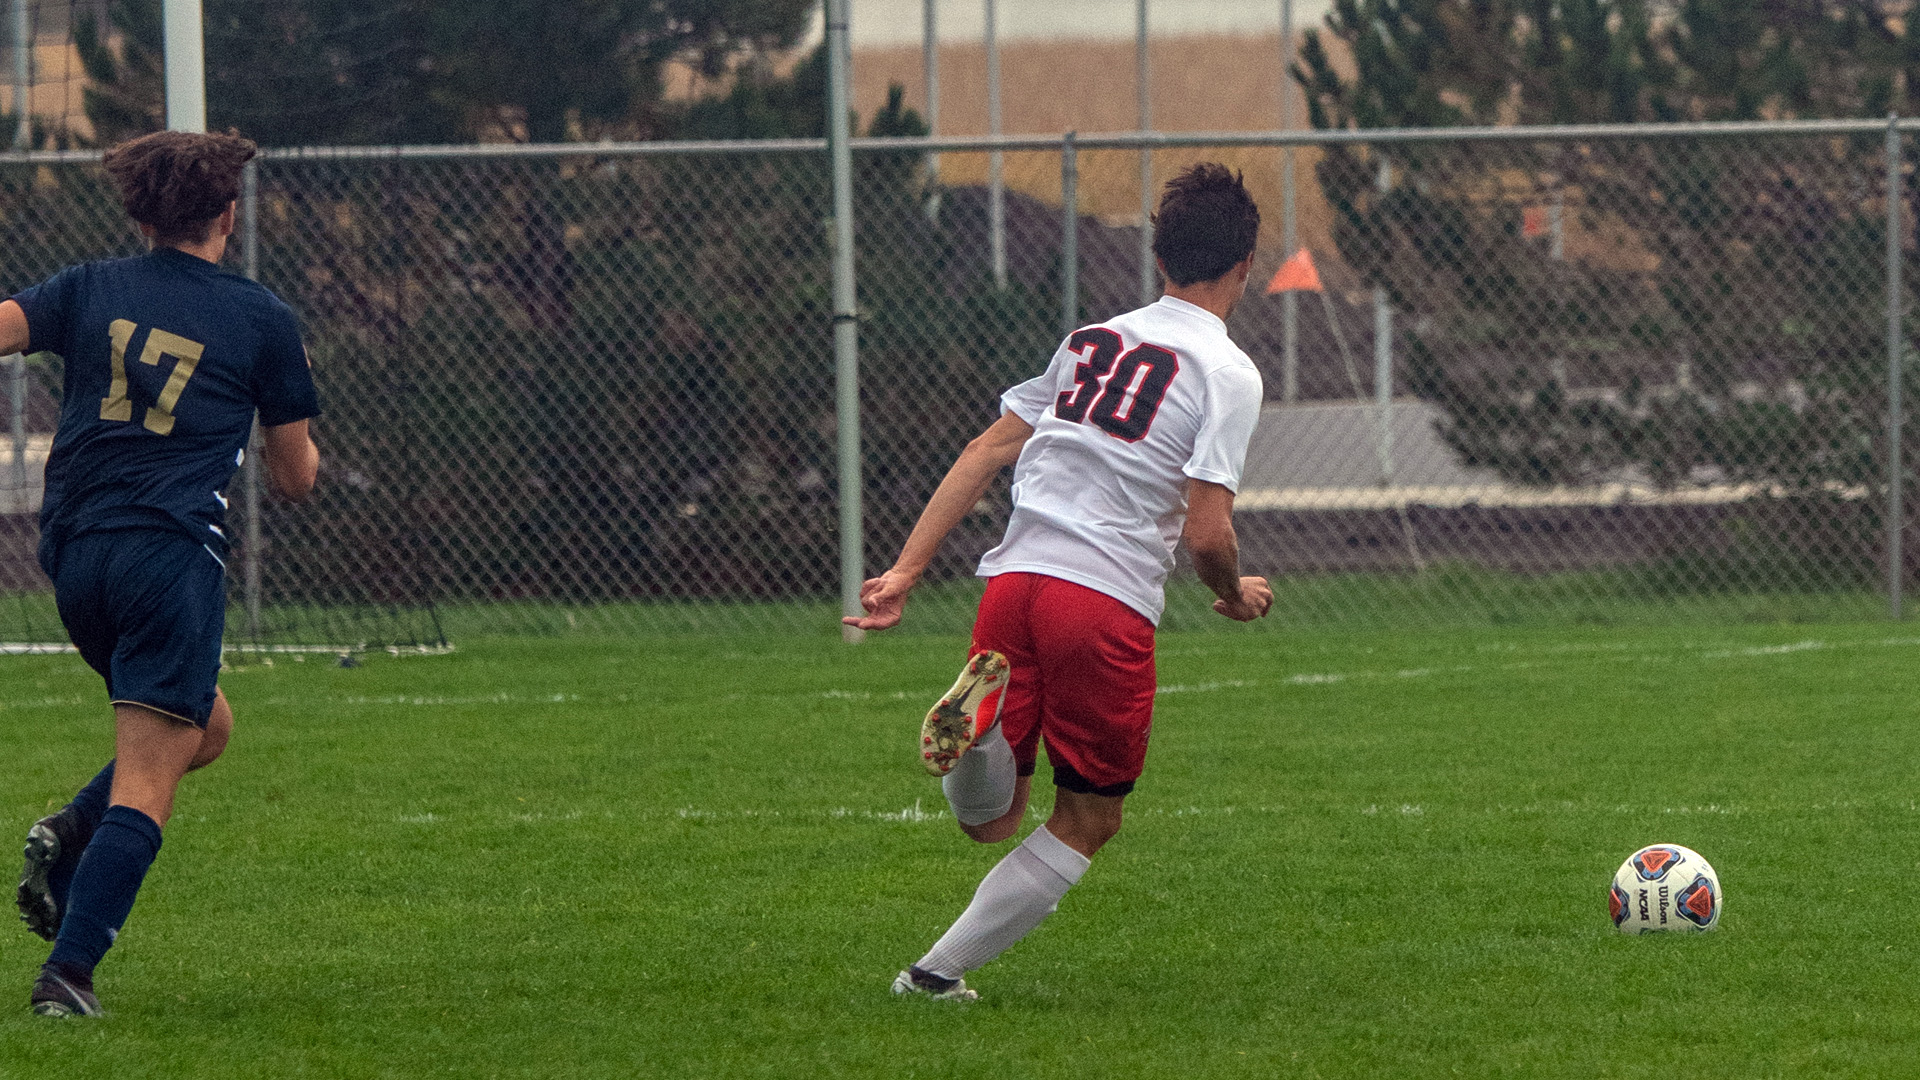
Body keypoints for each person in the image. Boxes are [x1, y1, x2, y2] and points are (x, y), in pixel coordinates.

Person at [846, 162, 1274, 1000]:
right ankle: (934, 978)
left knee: (992, 820)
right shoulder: (1228, 372)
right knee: (1089, 819)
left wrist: (905, 569)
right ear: (1246, 265)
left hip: (1014, 581)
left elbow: (986, 450)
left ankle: (982, 736)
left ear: (1160, 258)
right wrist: (1231, 592)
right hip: (1099, 603)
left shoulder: (1093, 341)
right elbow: (1207, 531)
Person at [8, 130, 321, 1018]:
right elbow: (296, 480)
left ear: (139, 213)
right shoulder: (261, 317)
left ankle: (71, 829)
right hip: (168, 555)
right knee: (150, 774)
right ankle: (67, 977)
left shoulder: (87, 287)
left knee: (204, 727)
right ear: (229, 212)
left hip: (73, 556)